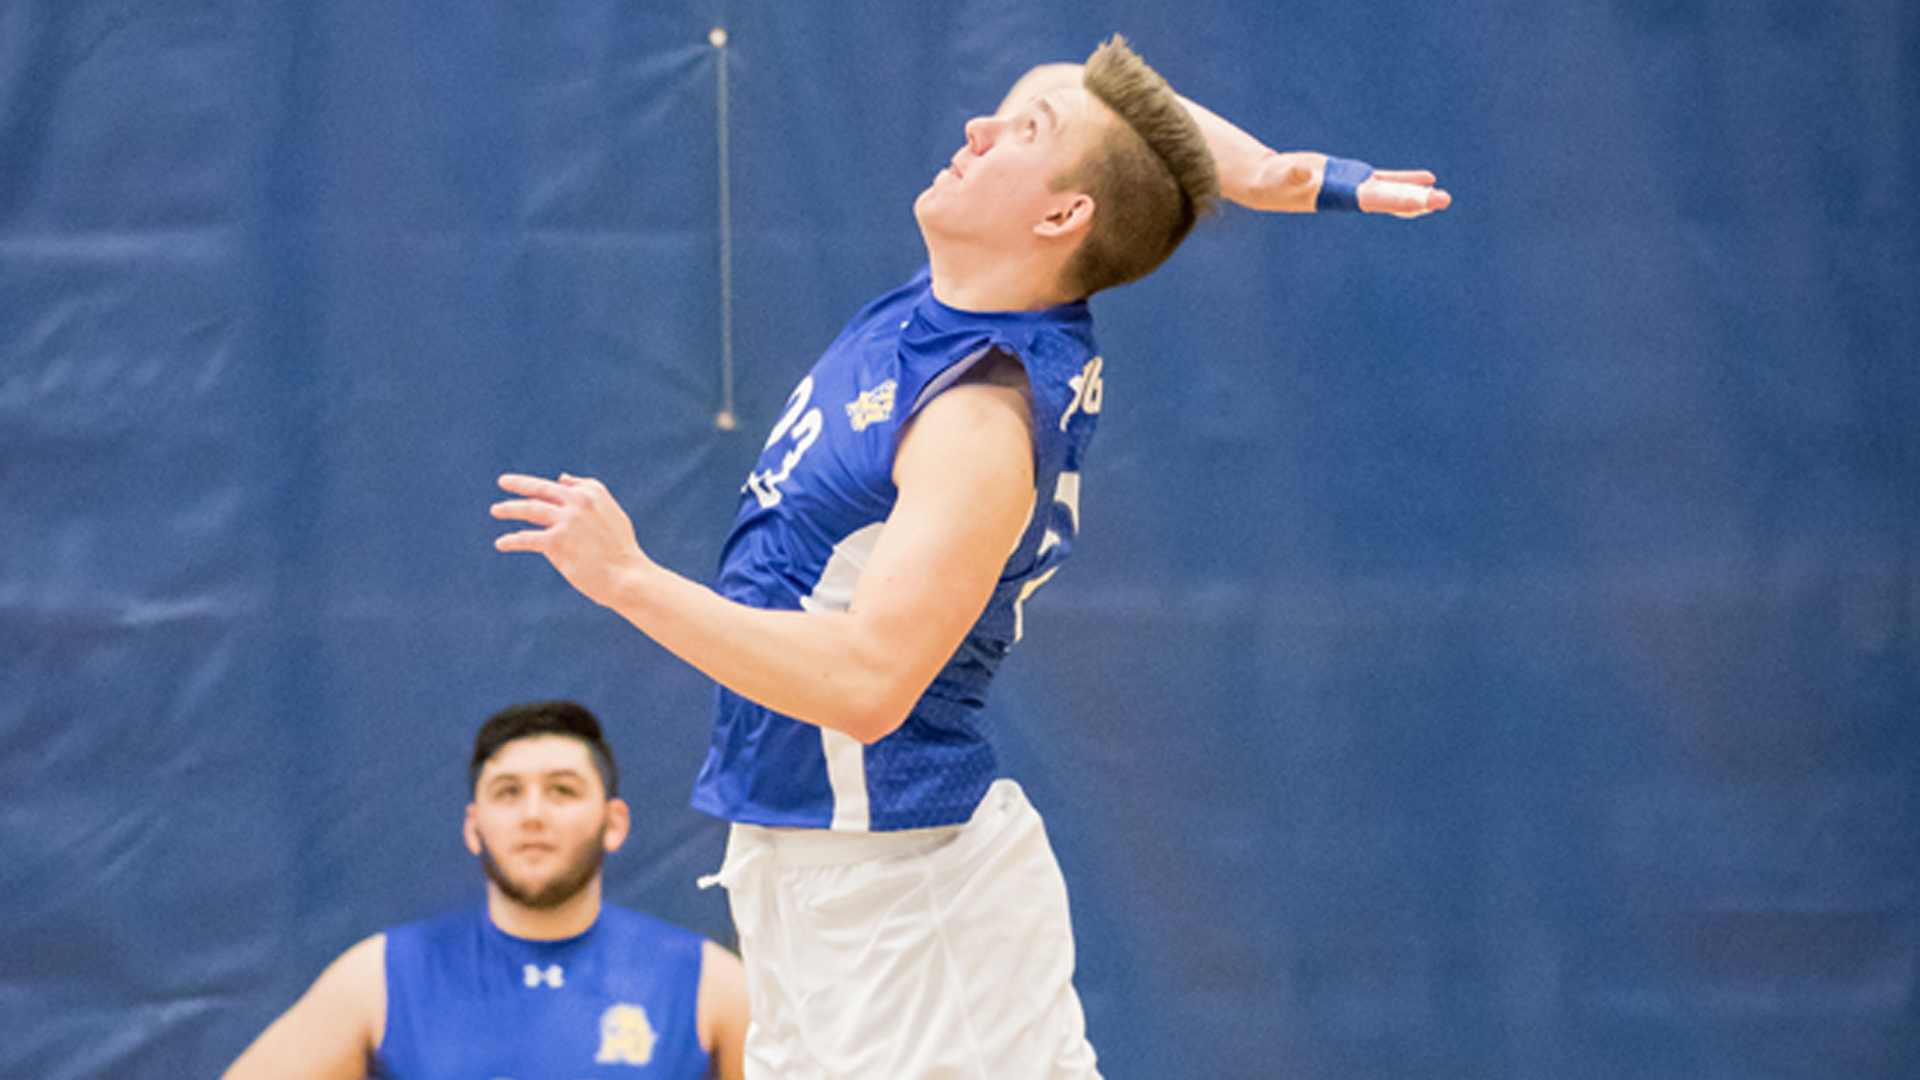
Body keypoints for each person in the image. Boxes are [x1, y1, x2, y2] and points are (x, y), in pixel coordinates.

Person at [490, 36, 1448, 1079]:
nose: (980, 126)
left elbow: (866, 688)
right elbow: (1071, 84)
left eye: (1019, 140)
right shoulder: (973, 291)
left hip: (906, 887)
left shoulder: (980, 421)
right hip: (808, 860)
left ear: (1060, 217)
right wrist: (1267, 175)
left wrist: (629, 579)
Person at [221, 700, 749, 1080]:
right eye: (508, 792)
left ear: (614, 822)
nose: (533, 814)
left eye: (562, 790)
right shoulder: (381, 978)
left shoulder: (710, 985)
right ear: (474, 827)